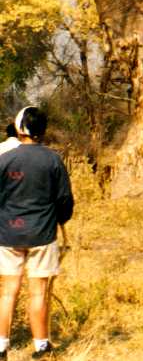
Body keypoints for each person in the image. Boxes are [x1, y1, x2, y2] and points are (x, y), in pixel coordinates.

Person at [0, 106, 74, 360]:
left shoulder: (5, 159)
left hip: (8, 235)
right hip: (42, 235)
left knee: (8, 291)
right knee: (38, 292)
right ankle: (41, 346)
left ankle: (1, 346)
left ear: (20, 129)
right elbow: (64, 201)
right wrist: (58, 219)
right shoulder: (53, 160)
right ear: (43, 130)